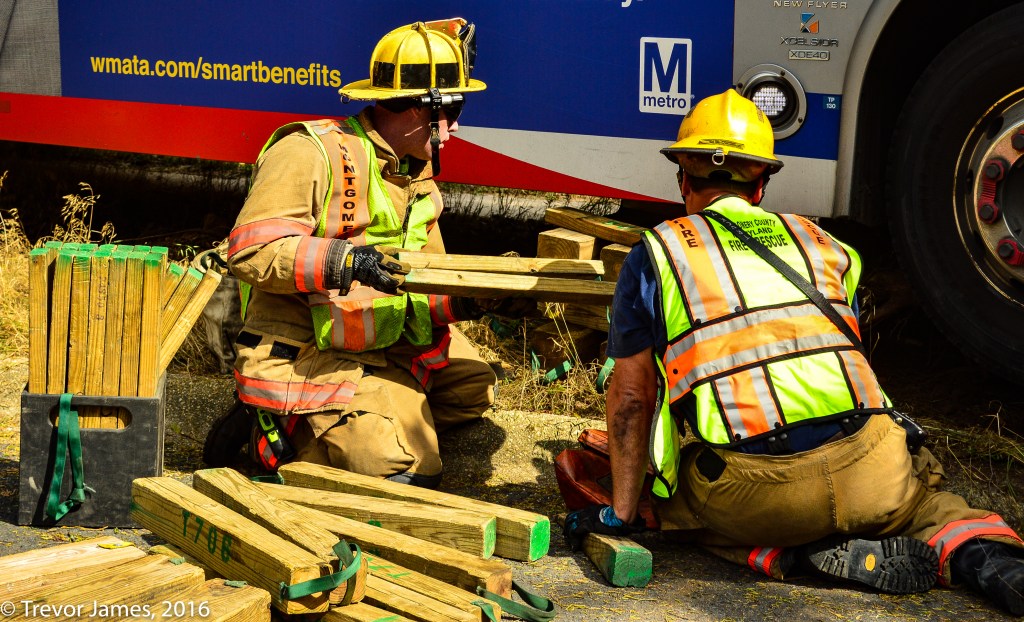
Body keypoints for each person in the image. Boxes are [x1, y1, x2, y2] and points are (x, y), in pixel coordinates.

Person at [563, 89, 1024, 615]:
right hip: (871, 468)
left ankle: (800, 557)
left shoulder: (658, 254)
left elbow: (631, 397)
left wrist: (620, 515)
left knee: (678, 505)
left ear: (684, 180)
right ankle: (989, 558)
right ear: (760, 184)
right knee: (928, 499)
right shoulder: (823, 243)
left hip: (759, 492)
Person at [204, 18, 528, 488]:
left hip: (383, 341)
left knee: (474, 388)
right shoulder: (310, 151)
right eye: (453, 107)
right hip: (306, 347)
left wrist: (479, 300)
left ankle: (370, 409)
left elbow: (424, 282)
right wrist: (346, 261)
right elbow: (252, 250)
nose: (458, 123)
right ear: (419, 108)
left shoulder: (416, 177)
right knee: (405, 470)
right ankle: (277, 431)